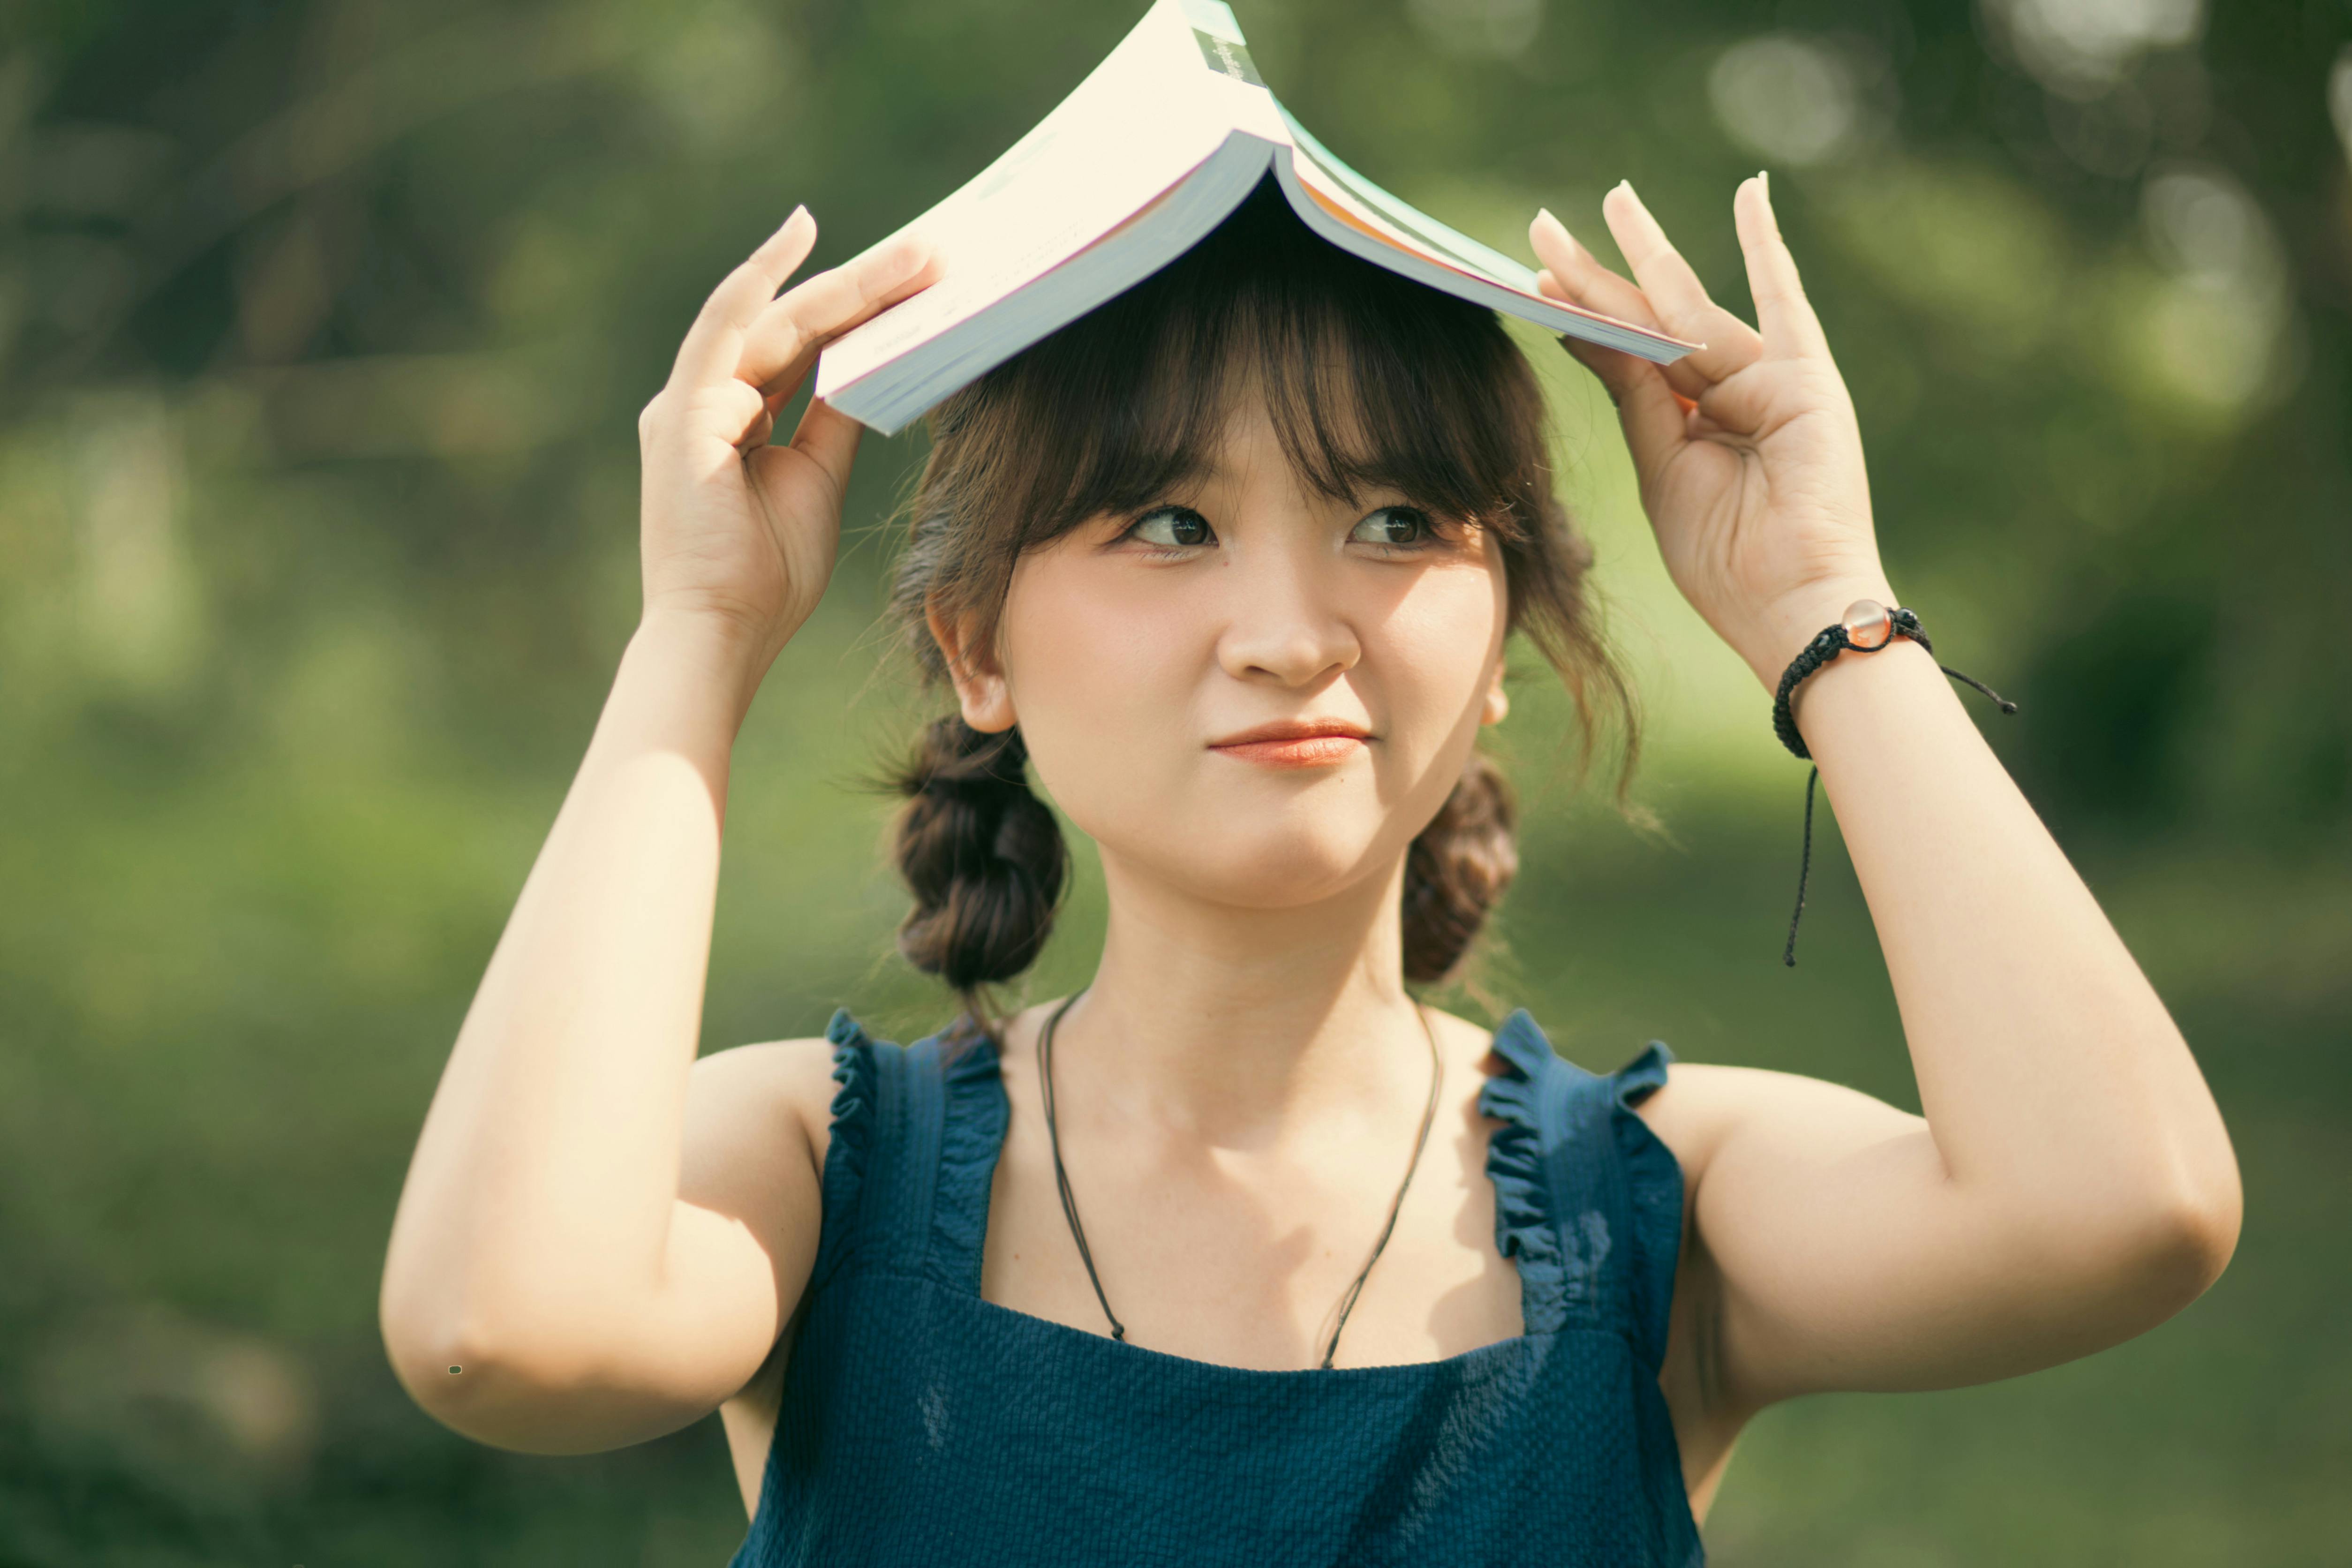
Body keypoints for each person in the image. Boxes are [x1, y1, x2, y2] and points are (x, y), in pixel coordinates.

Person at [377, 172, 2241, 1566]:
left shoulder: (1650, 1210)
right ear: (977, 649)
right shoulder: (819, 1171)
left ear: (1498, 638)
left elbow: (2127, 1205)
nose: (1291, 632)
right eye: (1168, 523)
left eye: (1398, 520)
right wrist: (698, 639)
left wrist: (1825, 609)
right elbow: (498, 1330)